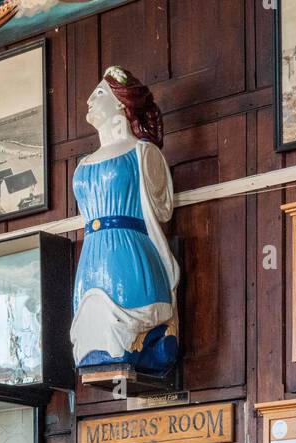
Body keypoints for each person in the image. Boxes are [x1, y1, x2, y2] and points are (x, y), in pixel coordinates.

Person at [70, 66, 180, 377]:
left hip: (127, 251)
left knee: (126, 322)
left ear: (121, 102)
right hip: (92, 256)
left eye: (99, 93)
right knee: (91, 329)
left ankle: (144, 345)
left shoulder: (143, 153)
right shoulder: (83, 164)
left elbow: (161, 210)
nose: (90, 99)